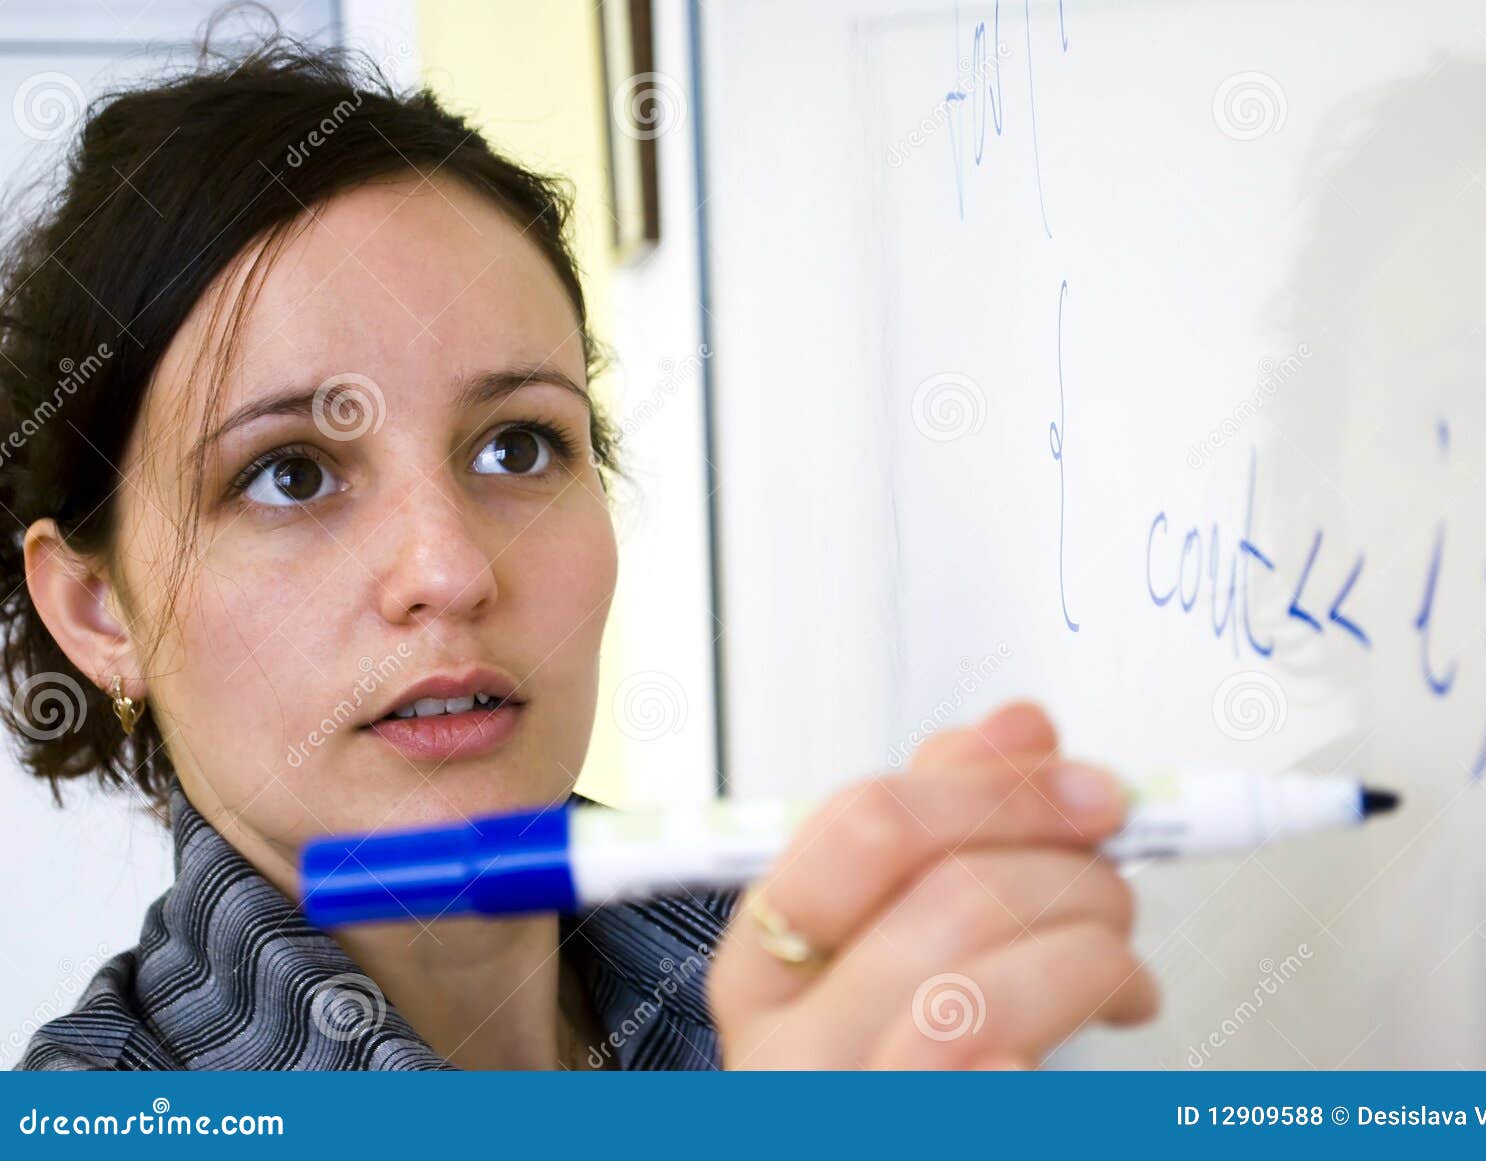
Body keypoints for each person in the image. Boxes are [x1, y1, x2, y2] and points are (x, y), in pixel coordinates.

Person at [1, 23, 1156, 1071]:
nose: (449, 572)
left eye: (516, 447)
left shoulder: (835, 987)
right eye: (290, 475)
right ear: (99, 610)